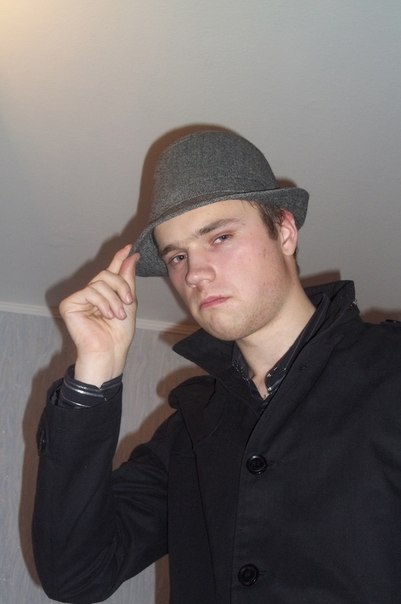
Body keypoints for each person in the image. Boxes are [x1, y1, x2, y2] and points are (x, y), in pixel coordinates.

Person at [32, 130, 401, 604]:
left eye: (220, 237)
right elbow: (76, 574)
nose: (195, 273)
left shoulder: (390, 371)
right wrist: (93, 376)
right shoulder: (190, 431)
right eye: (178, 256)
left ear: (285, 232)